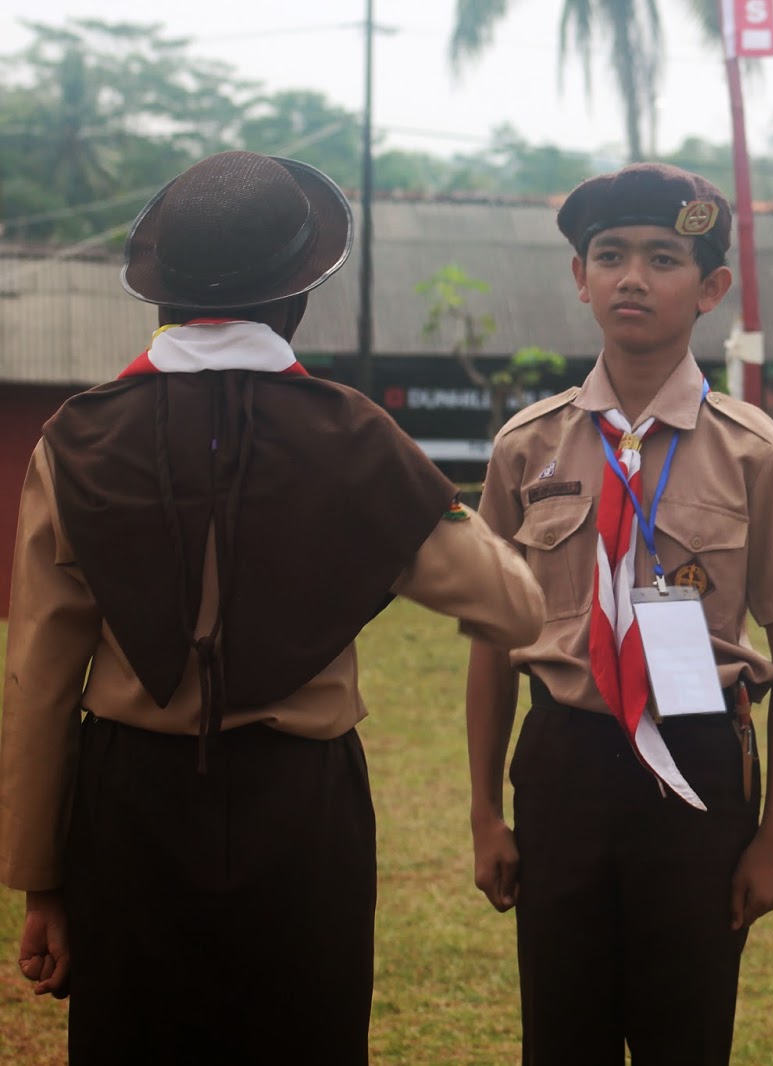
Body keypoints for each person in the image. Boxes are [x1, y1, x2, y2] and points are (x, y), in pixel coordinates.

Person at [0, 151, 546, 1064]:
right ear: (295, 300)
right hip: (302, 810)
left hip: (128, 805)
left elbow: (41, 679)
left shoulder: (79, 438)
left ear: (162, 294)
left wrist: (40, 883)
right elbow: (515, 609)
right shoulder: (356, 436)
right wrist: (397, 503)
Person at [465, 162, 773, 1065]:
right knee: (562, 1028)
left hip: (698, 761)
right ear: (579, 277)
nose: (633, 277)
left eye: (663, 258)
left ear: (710, 289)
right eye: (610, 255)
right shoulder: (527, 447)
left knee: (687, 1027)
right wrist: (483, 813)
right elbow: (489, 644)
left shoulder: (754, 452)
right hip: (566, 762)